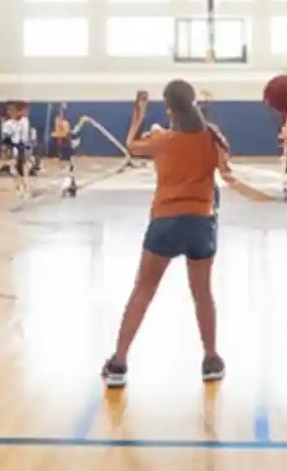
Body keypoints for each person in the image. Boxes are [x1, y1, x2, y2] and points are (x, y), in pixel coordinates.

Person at [101, 82, 230, 388]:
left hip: (165, 221)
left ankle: (118, 363)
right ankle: (211, 359)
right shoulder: (212, 137)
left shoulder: (162, 139)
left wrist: (139, 116)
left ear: (169, 108)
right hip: (201, 221)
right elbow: (225, 166)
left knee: (143, 291)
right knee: (202, 294)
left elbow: (131, 145)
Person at [6, 104, 31, 197]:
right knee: (13, 169)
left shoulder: (24, 121)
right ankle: (19, 186)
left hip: (22, 147)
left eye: (13, 110)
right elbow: (7, 138)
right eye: (10, 111)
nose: (11, 113)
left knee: (23, 168)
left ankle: (25, 187)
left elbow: (24, 136)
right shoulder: (8, 123)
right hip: (14, 148)